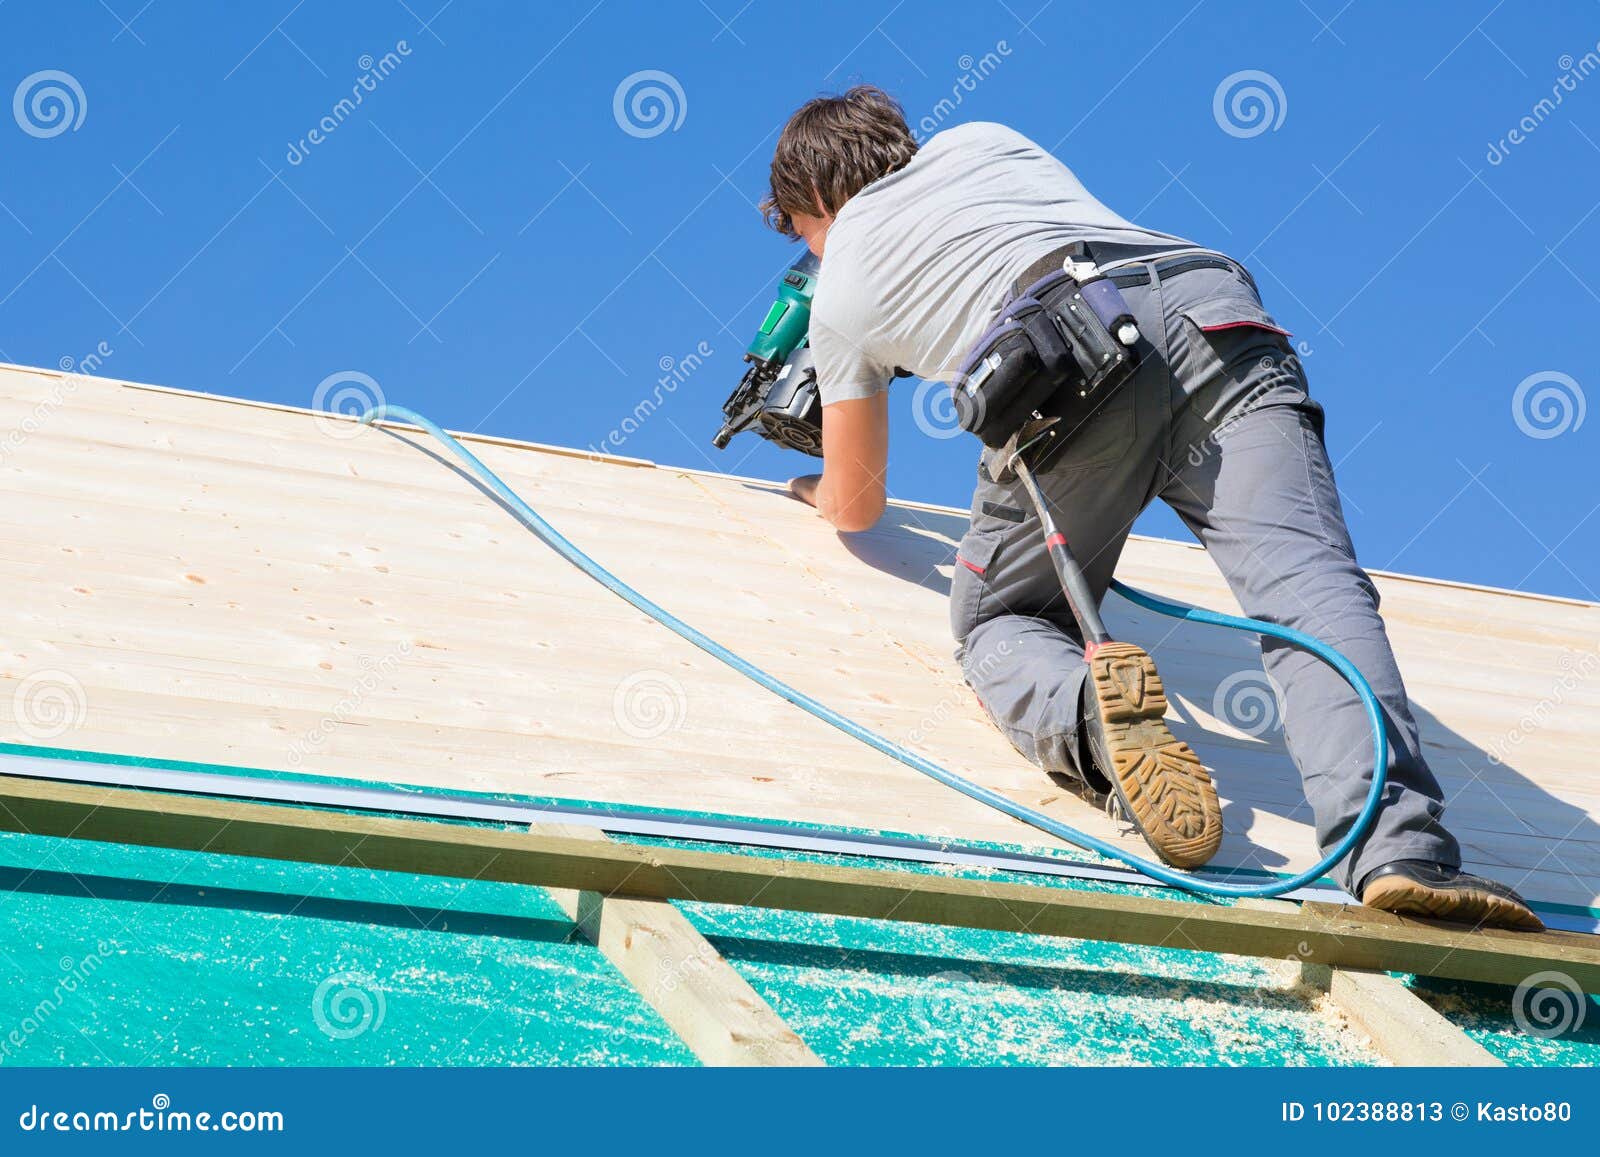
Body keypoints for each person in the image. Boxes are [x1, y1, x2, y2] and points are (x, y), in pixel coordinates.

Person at [768, 86, 1540, 931]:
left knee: (999, 620)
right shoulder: (983, 138)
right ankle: (1401, 850)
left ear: (818, 201)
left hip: (1068, 365)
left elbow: (857, 504)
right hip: (1210, 307)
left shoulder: (839, 290)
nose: (809, 251)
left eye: (802, 231)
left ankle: (1096, 725)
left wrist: (820, 481)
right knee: (1308, 584)